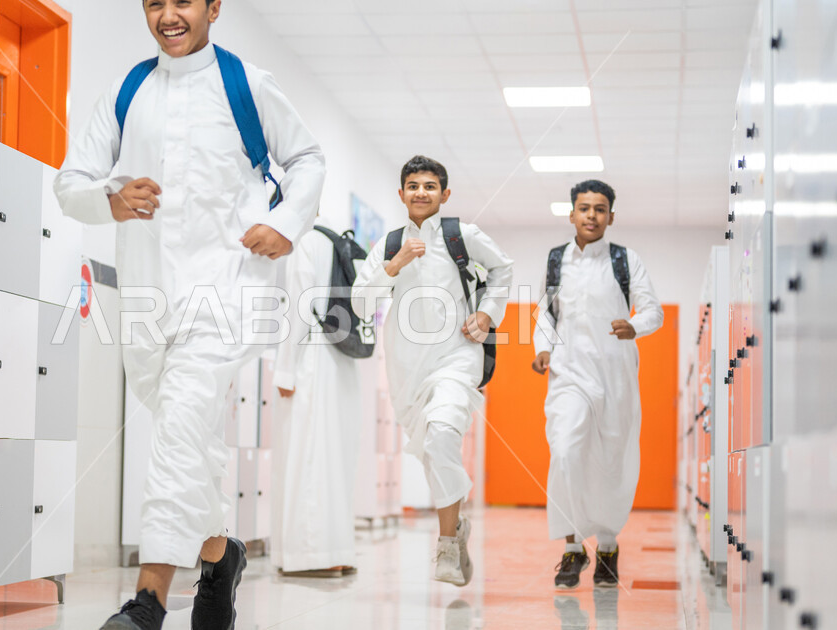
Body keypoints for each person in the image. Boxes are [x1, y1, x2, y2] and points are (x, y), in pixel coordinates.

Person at [53, 1, 326, 627]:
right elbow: (72, 181)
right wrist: (110, 198)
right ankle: (219, 556)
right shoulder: (129, 89)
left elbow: (306, 158)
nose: (168, 16)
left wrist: (284, 225)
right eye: (155, 3)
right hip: (150, 297)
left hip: (225, 289)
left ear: (213, 7)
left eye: (184, 2)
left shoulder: (246, 84)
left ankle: (147, 601)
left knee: (177, 429)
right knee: (191, 437)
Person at [352, 155, 513, 587]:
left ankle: (444, 545)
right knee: (431, 452)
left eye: (429, 185)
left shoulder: (462, 235)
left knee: (442, 434)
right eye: (412, 185)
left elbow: (503, 269)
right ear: (401, 194)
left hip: (457, 357)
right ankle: (457, 528)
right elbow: (359, 303)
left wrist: (486, 314)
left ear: (444, 194)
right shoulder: (388, 245)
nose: (420, 192)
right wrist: (395, 263)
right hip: (406, 367)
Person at [531, 179, 663, 590]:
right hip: (569, 373)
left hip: (615, 375)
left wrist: (634, 325)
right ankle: (572, 548)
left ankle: (607, 544)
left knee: (610, 461)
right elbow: (545, 314)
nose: (591, 215)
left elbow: (654, 311)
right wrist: (543, 348)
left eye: (600, 208)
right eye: (584, 208)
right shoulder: (556, 260)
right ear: (571, 214)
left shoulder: (626, 260)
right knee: (566, 451)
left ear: (611, 216)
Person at [269, 222, 361, 578]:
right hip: (342, 360)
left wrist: (285, 369)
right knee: (334, 460)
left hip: (312, 358)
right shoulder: (334, 240)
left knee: (306, 455)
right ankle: (338, 551)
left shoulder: (303, 241)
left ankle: (313, 555)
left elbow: (298, 310)